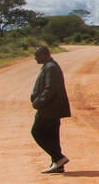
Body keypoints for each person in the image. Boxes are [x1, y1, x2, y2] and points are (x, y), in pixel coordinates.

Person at [30, 45, 71, 174]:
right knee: (52, 136)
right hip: (53, 108)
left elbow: (50, 89)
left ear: (45, 54)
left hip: (49, 109)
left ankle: (59, 158)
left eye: (37, 55)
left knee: (37, 132)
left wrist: (38, 102)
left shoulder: (51, 67)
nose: (35, 58)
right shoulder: (50, 66)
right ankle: (58, 164)